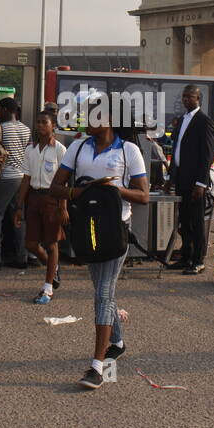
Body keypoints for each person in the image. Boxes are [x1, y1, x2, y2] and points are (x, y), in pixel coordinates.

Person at [50, 99, 150, 389]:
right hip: (87, 229)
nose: (86, 121)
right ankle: (117, 341)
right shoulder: (78, 148)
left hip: (116, 230)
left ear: (109, 120)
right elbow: (56, 187)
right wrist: (80, 192)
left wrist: (114, 189)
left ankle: (98, 366)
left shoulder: (128, 150)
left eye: (93, 116)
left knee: (103, 293)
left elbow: (144, 196)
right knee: (102, 291)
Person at [13, 110, 67, 303]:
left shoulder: (60, 149)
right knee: (31, 244)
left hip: (52, 199)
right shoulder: (30, 150)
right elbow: (26, 179)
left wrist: (63, 207)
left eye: (45, 122)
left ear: (53, 126)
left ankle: (48, 287)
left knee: (51, 243)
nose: (40, 125)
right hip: (34, 198)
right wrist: (19, 206)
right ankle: (53, 268)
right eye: (38, 122)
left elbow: (64, 182)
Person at [167, 84, 214, 275]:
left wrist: (201, 183)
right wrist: (170, 177)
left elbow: (207, 155)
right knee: (184, 220)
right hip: (181, 178)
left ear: (198, 99)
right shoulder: (182, 120)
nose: (186, 99)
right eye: (184, 96)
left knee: (196, 221)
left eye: (190, 96)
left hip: (196, 182)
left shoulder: (204, 121)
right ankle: (186, 256)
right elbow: (176, 150)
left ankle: (198, 260)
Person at [0, 97, 31, 269]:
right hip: (21, 177)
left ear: (4, 110)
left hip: (5, 178)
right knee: (19, 217)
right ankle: (22, 257)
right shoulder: (26, 129)